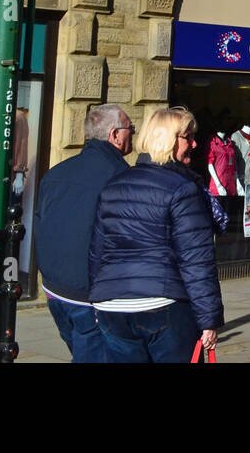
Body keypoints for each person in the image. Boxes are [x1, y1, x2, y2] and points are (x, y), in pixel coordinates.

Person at [89, 106, 224, 363]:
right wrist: (209, 320)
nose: (195, 144)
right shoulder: (183, 188)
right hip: (163, 304)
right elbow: (196, 259)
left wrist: (96, 298)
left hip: (111, 307)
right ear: (169, 139)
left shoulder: (114, 185)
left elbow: (97, 252)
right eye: (188, 137)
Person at [33, 103, 133, 362]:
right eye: (130, 128)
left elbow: (41, 224)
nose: (132, 133)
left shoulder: (57, 173)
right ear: (115, 135)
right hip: (91, 298)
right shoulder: (123, 178)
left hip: (56, 291)